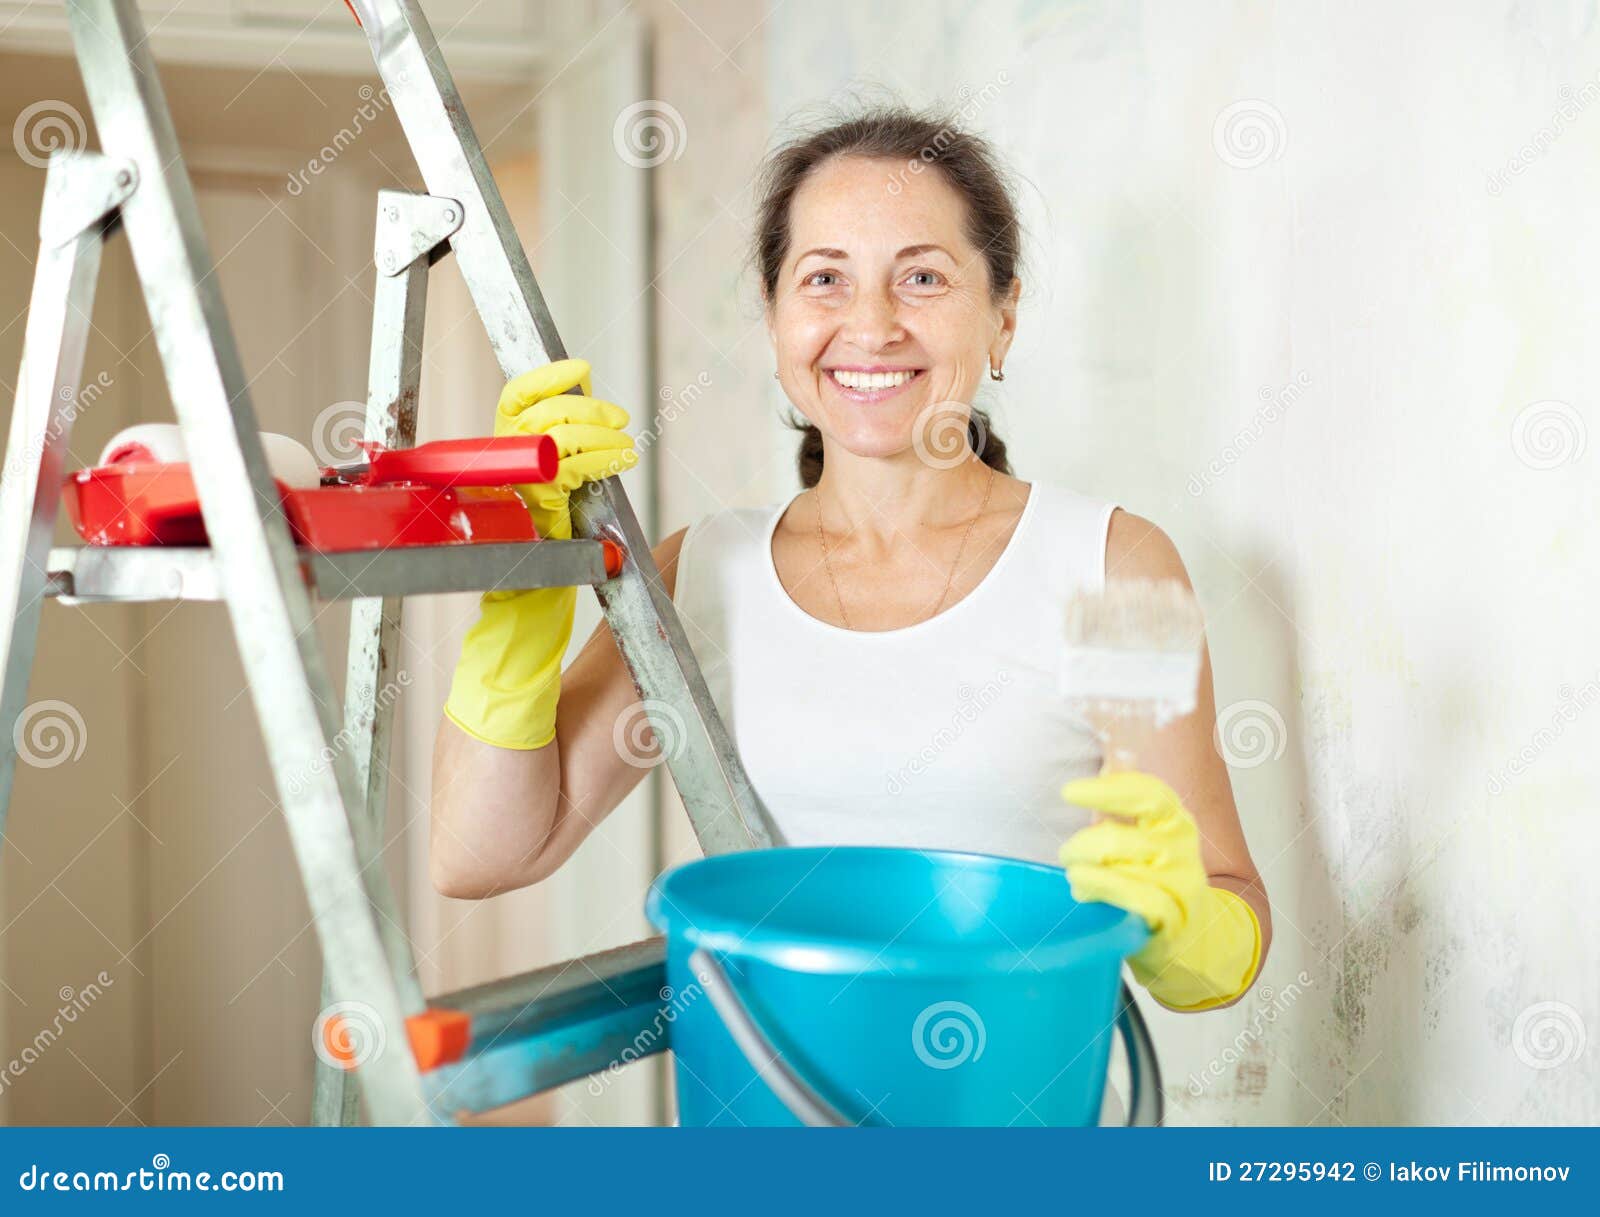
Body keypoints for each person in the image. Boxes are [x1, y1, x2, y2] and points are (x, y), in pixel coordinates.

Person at [431, 107, 1269, 1015]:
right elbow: (482, 854)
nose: (870, 326)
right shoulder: (700, 572)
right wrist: (529, 591)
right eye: (825, 278)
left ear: (1004, 316)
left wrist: (1190, 932)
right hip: (765, 1118)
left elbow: (1226, 889)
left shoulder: (1116, 567)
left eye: (922, 277)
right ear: (775, 312)